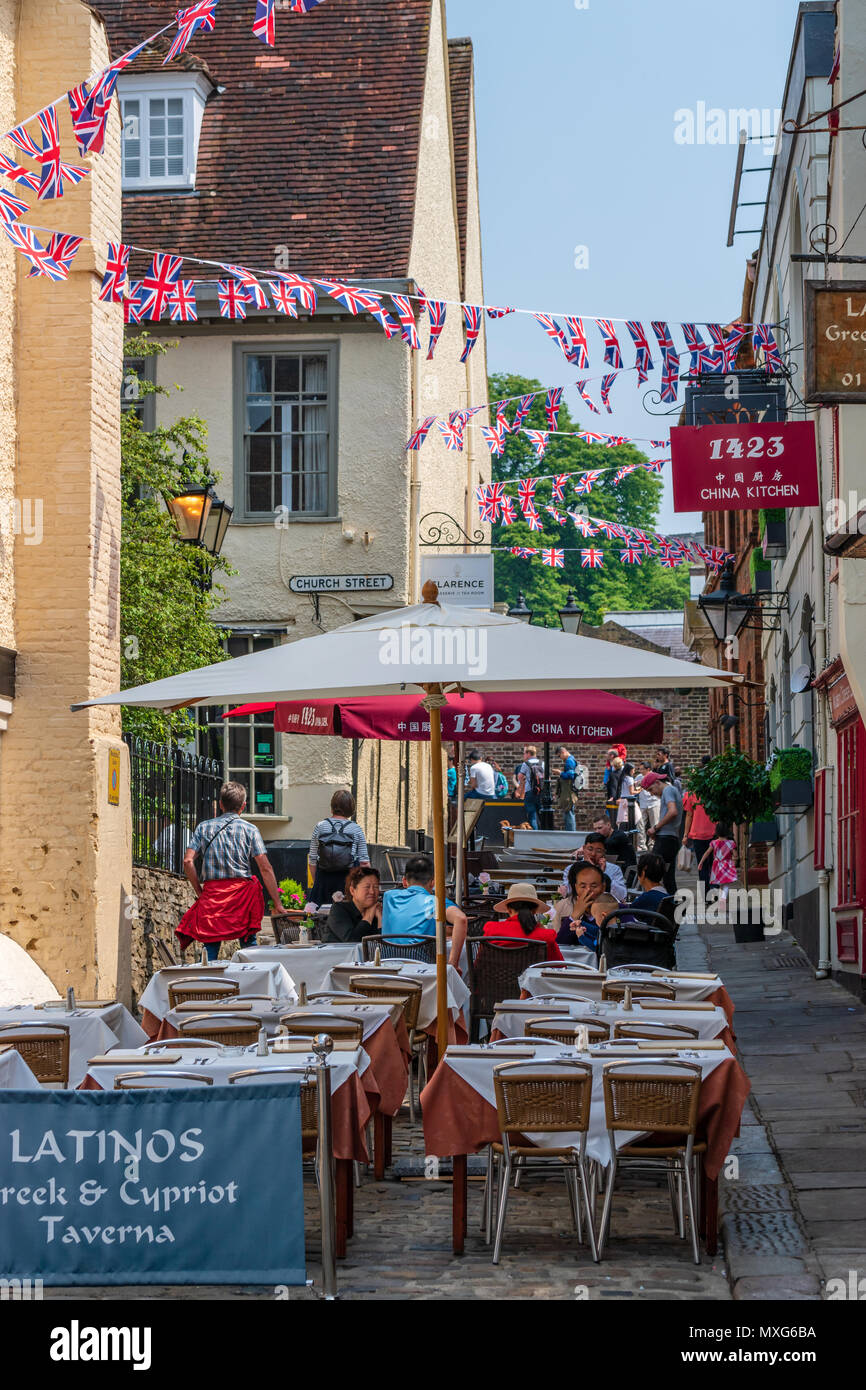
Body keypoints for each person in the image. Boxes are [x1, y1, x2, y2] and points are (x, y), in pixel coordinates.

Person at [178, 781, 290, 960]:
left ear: (221, 804)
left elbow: (187, 861)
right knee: (248, 944)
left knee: (211, 947)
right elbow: (265, 867)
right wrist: (277, 903)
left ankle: (204, 985)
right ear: (243, 806)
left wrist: (200, 892)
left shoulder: (203, 828)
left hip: (213, 896)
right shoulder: (250, 830)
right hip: (241, 898)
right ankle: (253, 981)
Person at [381, 853, 467, 968]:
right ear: (432, 883)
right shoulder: (434, 902)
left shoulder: (388, 896)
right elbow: (461, 919)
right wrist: (453, 964)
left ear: (404, 881)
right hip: (422, 968)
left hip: (387, 966)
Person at [308, 790, 369, 907]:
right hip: (348, 881)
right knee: (347, 916)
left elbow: (312, 858)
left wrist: (318, 881)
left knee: (318, 918)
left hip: (323, 879)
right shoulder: (356, 829)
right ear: (351, 807)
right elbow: (364, 862)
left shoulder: (320, 826)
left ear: (332, 807)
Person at [485, 882, 563, 962]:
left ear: (509, 910)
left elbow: (479, 965)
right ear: (535, 911)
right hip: (533, 974)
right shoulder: (546, 936)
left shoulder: (491, 930)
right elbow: (559, 966)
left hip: (497, 974)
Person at [551, 860, 607, 954]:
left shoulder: (615, 908)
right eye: (583, 886)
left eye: (594, 885)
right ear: (575, 887)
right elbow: (560, 946)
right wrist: (574, 916)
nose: (588, 891)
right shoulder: (564, 908)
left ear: (603, 887)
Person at [321, 865, 382, 944]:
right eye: (367, 887)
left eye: (376, 887)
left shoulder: (377, 910)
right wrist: (368, 916)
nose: (372, 892)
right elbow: (351, 941)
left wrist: (380, 918)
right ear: (352, 890)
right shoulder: (339, 909)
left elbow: (385, 943)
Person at [561, 831, 627, 903]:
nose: (593, 854)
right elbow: (567, 893)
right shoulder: (571, 869)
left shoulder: (614, 869)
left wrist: (603, 874)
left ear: (604, 852)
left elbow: (622, 895)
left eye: (598, 851)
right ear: (584, 849)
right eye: (590, 849)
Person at [647, 772, 684, 895]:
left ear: (657, 782)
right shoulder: (672, 790)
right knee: (668, 878)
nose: (652, 793)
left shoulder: (668, 790)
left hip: (666, 839)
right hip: (670, 838)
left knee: (651, 872)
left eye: (651, 789)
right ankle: (674, 908)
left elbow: (672, 812)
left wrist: (656, 828)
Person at [683, 760, 717, 890]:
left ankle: (706, 894)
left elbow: (689, 815)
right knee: (714, 863)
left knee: (702, 864)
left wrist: (685, 835)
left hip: (697, 834)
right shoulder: (714, 792)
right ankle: (714, 890)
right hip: (714, 833)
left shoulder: (692, 794)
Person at [699, 823, 738, 904]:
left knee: (719, 884)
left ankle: (721, 898)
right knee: (726, 884)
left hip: (716, 866)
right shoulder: (731, 843)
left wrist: (701, 862)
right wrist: (734, 860)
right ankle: (723, 898)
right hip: (727, 865)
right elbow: (735, 855)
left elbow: (707, 853)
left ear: (716, 832)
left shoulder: (713, 843)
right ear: (727, 831)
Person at [516, 744, 544, 828]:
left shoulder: (526, 764)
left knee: (532, 815)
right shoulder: (542, 763)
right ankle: (544, 836)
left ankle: (535, 836)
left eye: (524, 753)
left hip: (530, 792)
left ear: (528, 753)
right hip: (541, 792)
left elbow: (520, 777)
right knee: (542, 815)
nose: (524, 755)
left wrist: (524, 779)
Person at [557, 745, 578, 833]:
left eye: (559, 756)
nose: (560, 758)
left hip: (569, 792)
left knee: (569, 812)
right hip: (570, 791)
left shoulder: (569, 761)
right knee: (569, 812)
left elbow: (570, 776)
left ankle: (571, 834)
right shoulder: (571, 760)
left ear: (563, 752)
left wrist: (560, 773)